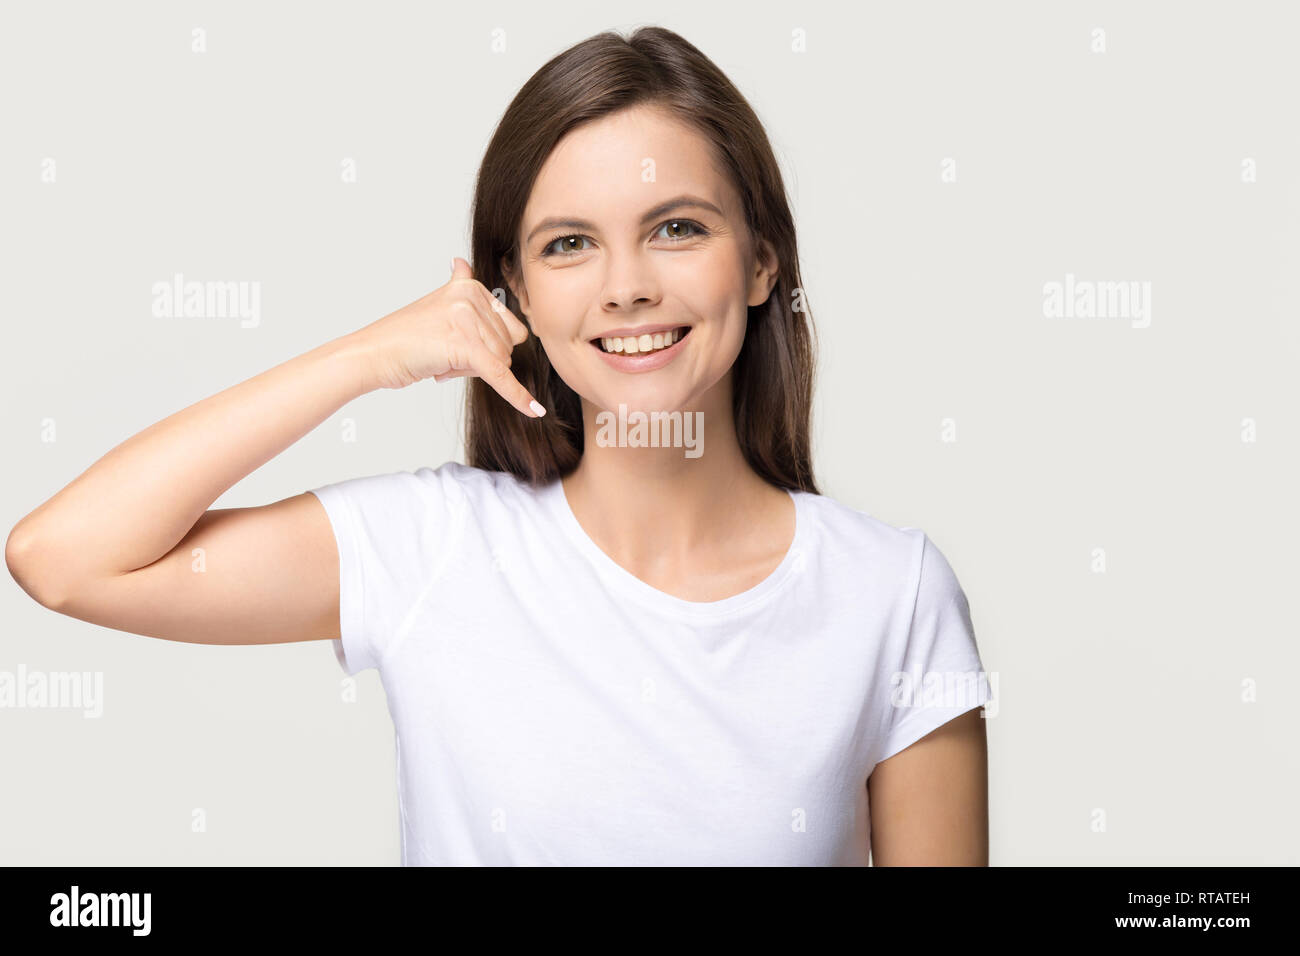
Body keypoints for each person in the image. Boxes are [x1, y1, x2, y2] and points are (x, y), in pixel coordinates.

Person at [5, 26, 992, 866]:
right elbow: (65, 557)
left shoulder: (890, 593)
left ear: (762, 261)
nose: (625, 286)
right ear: (510, 290)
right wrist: (369, 355)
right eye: (569, 243)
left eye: (677, 227)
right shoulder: (434, 547)